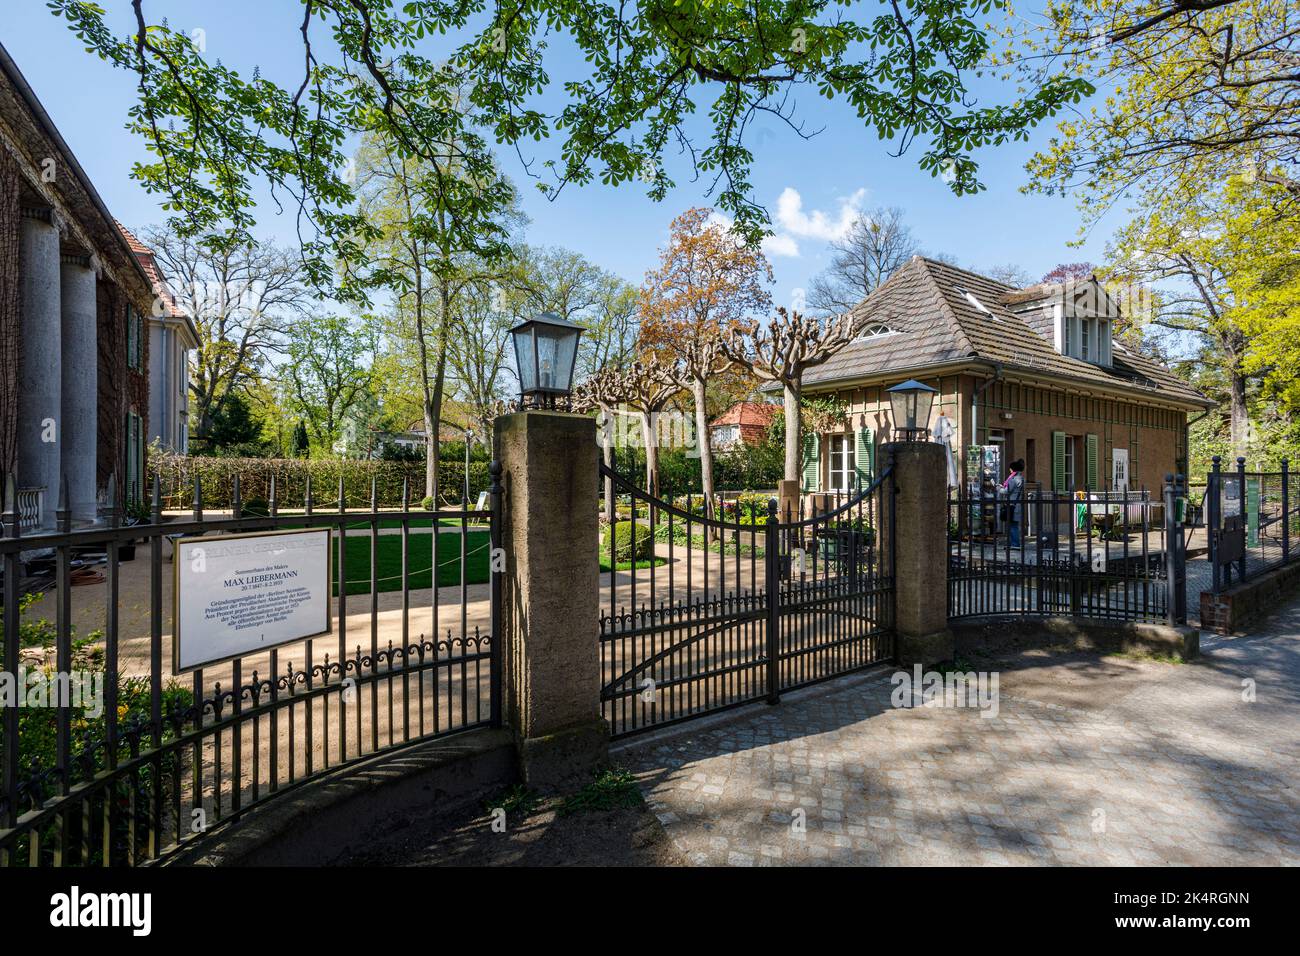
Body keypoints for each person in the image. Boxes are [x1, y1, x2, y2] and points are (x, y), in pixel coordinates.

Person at [1001, 459, 1025, 547]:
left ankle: (1014, 544)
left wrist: (998, 488)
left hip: (1011, 505)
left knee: (1012, 526)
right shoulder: (1022, 479)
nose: (1009, 470)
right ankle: (1013, 543)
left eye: (1010, 469)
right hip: (1017, 504)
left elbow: (1006, 491)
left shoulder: (1013, 479)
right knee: (1014, 525)